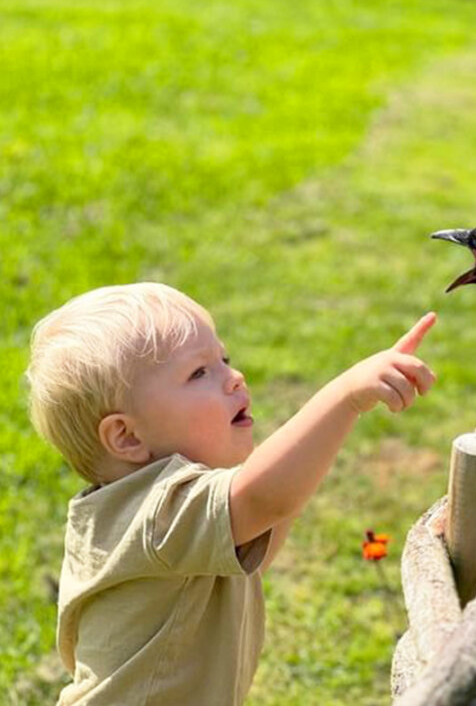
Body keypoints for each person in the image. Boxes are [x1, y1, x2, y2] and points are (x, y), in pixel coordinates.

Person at [25, 283, 437, 705]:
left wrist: (311, 448)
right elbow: (265, 499)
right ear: (127, 436)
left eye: (224, 360)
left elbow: (266, 528)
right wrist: (346, 396)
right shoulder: (153, 515)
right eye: (199, 373)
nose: (234, 377)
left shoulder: (172, 515)